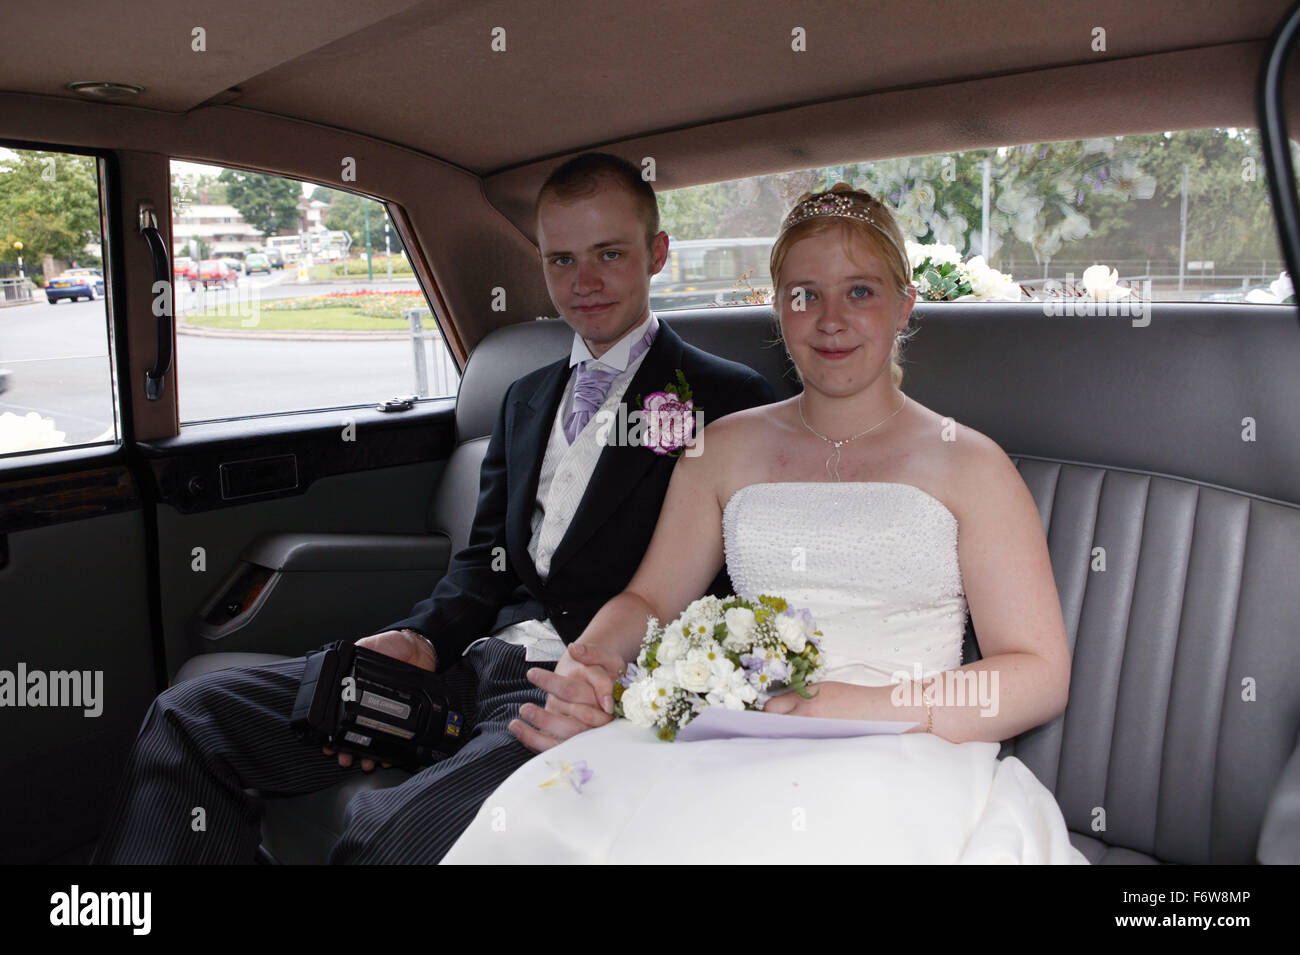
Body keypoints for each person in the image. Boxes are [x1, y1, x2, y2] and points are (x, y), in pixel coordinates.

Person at [90, 152, 774, 864]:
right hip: (467, 668)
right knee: (188, 717)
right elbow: (483, 563)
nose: (585, 282)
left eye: (610, 254)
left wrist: (626, 695)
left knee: (389, 837)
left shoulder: (728, 399)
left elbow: (730, 595)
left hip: (581, 694)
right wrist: (419, 639)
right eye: (562, 259)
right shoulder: (524, 396)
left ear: (657, 253)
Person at [441, 184, 1090, 864]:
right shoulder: (719, 447)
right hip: (733, 733)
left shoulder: (972, 463)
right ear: (779, 310)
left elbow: (1038, 671)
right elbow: (651, 599)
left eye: (860, 292)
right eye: (805, 295)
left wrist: (866, 706)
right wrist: (596, 656)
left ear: (905, 305)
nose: (830, 319)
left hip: (904, 748)